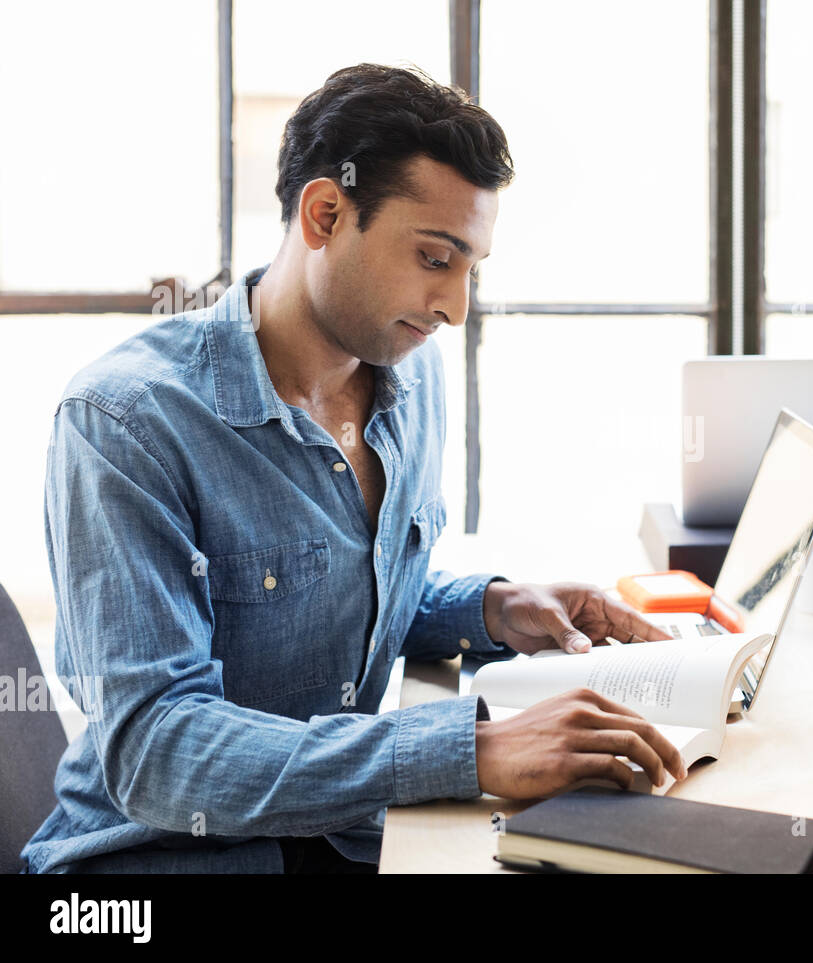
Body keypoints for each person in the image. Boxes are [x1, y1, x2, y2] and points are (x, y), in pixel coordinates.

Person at [21, 63, 688, 874]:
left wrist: (493, 608)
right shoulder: (126, 422)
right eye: (436, 258)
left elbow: (330, 597)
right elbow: (156, 749)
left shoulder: (410, 373)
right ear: (326, 213)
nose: (457, 307)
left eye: (472, 267)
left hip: (343, 833)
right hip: (157, 861)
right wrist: (469, 749)